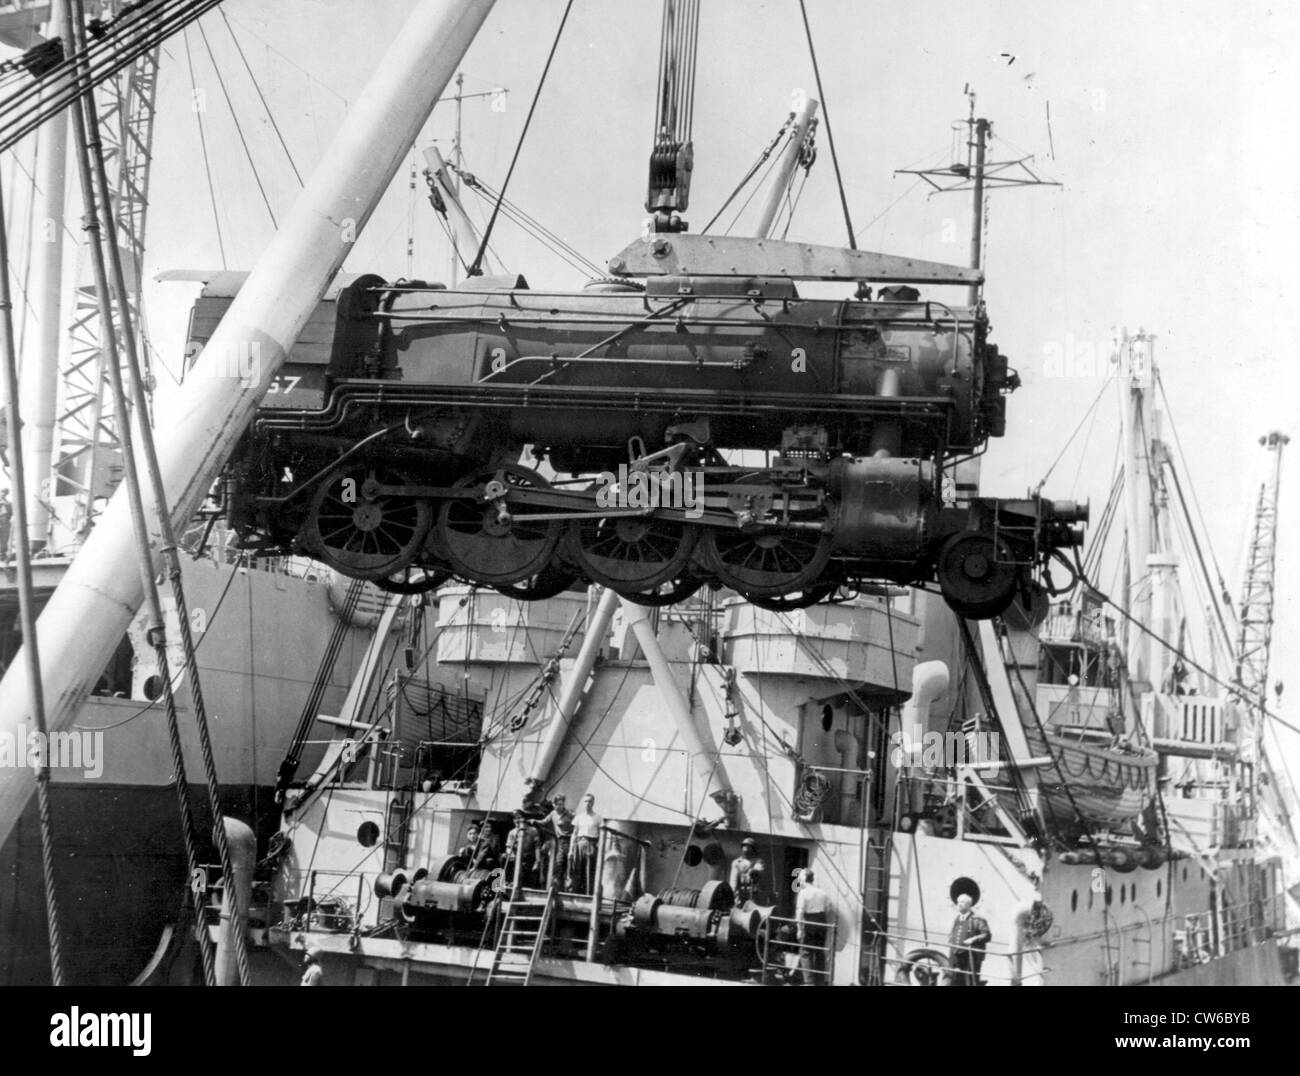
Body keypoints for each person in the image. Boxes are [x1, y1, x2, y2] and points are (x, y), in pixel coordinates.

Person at [795, 868, 831, 985]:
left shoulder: (803, 893)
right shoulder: (822, 892)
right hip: (821, 921)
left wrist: (799, 929)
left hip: (809, 921)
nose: (799, 880)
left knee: (805, 952)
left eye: (800, 877)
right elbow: (828, 908)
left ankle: (809, 983)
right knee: (819, 952)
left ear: (804, 879)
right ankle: (820, 982)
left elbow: (800, 912)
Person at [948, 893, 991, 986]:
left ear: (969, 905)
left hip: (970, 956)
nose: (959, 904)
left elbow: (987, 935)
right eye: (958, 902)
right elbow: (952, 933)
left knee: (969, 981)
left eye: (962, 902)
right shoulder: (957, 918)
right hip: (955, 955)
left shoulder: (978, 919)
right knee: (954, 980)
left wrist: (973, 939)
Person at [538, 794, 574, 890]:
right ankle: (557, 887)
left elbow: (576, 825)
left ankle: (568, 884)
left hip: (570, 840)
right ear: (553, 805)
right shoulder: (553, 814)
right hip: (560, 841)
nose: (559, 806)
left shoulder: (570, 814)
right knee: (559, 864)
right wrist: (534, 821)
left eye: (561, 804)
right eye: (557, 804)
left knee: (568, 864)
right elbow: (544, 821)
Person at [569, 793, 602, 894]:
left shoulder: (598, 817)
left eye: (590, 801)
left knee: (589, 871)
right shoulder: (579, 817)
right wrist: (571, 850)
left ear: (593, 803)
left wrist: (597, 847)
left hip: (591, 844)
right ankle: (575, 894)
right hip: (579, 844)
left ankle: (588, 895)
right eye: (586, 801)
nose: (587, 804)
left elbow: (601, 835)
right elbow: (574, 834)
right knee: (577, 870)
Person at [502, 810, 540, 888]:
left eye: (519, 818)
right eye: (515, 819)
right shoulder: (512, 833)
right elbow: (508, 847)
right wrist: (511, 855)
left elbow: (537, 847)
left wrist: (537, 861)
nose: (517, 820)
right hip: (515, 858)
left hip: (529, 859)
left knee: (528, 881)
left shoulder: (533, 831)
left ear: (524, 819)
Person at [728, 837, 768, 907]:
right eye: (744, 846)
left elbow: (759, 869)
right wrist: (733, 891)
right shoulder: (737, 862)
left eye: (748, 846)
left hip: (754, 894)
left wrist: (754, 871)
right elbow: (733, 879)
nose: (746, 848)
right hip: (740, 893)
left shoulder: (758, 861)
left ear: (753, 849)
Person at [0, 489, 10, 564]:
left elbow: (11, 513)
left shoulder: (8, 503)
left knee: (4, 539)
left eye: (5, 493)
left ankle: (2, 555)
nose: (3, 494)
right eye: (2, 493)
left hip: (5, 522)